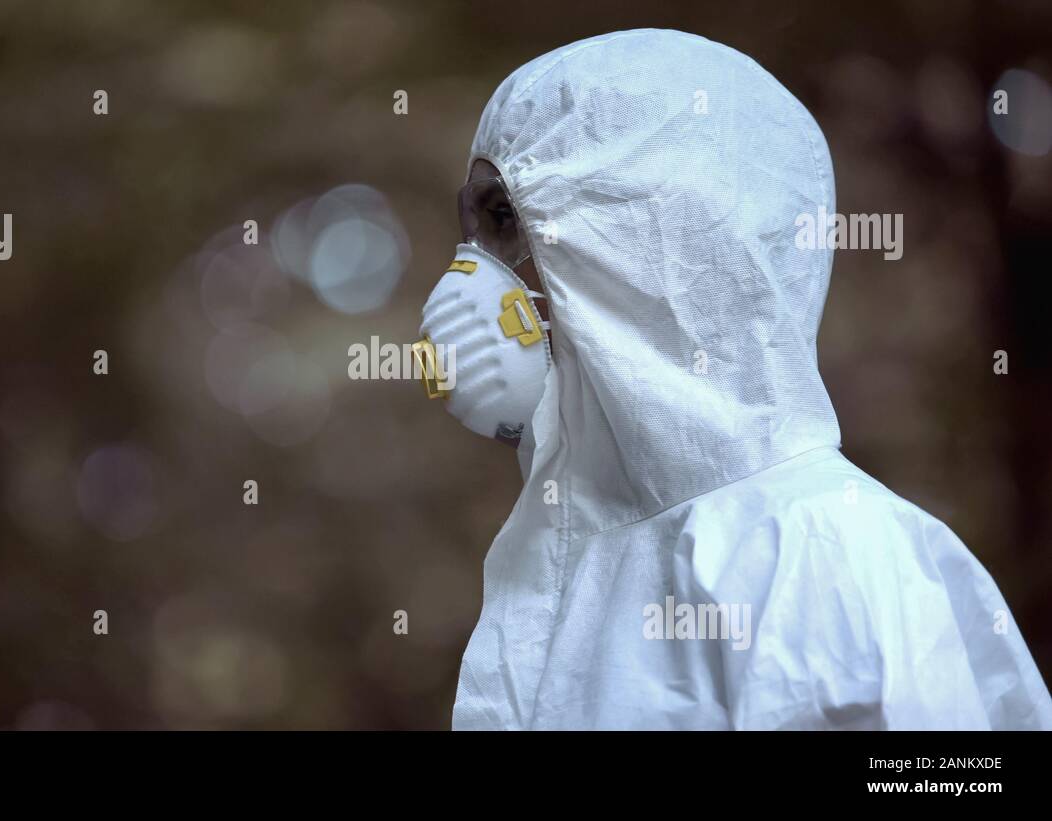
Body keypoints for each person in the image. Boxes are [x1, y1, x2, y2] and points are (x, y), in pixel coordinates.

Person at [414, 29, 1052, 729]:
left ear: (641, 241)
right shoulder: (562, 553)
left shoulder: (828, 553)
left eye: (506, 219)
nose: (473, 270)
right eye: (473, 224)